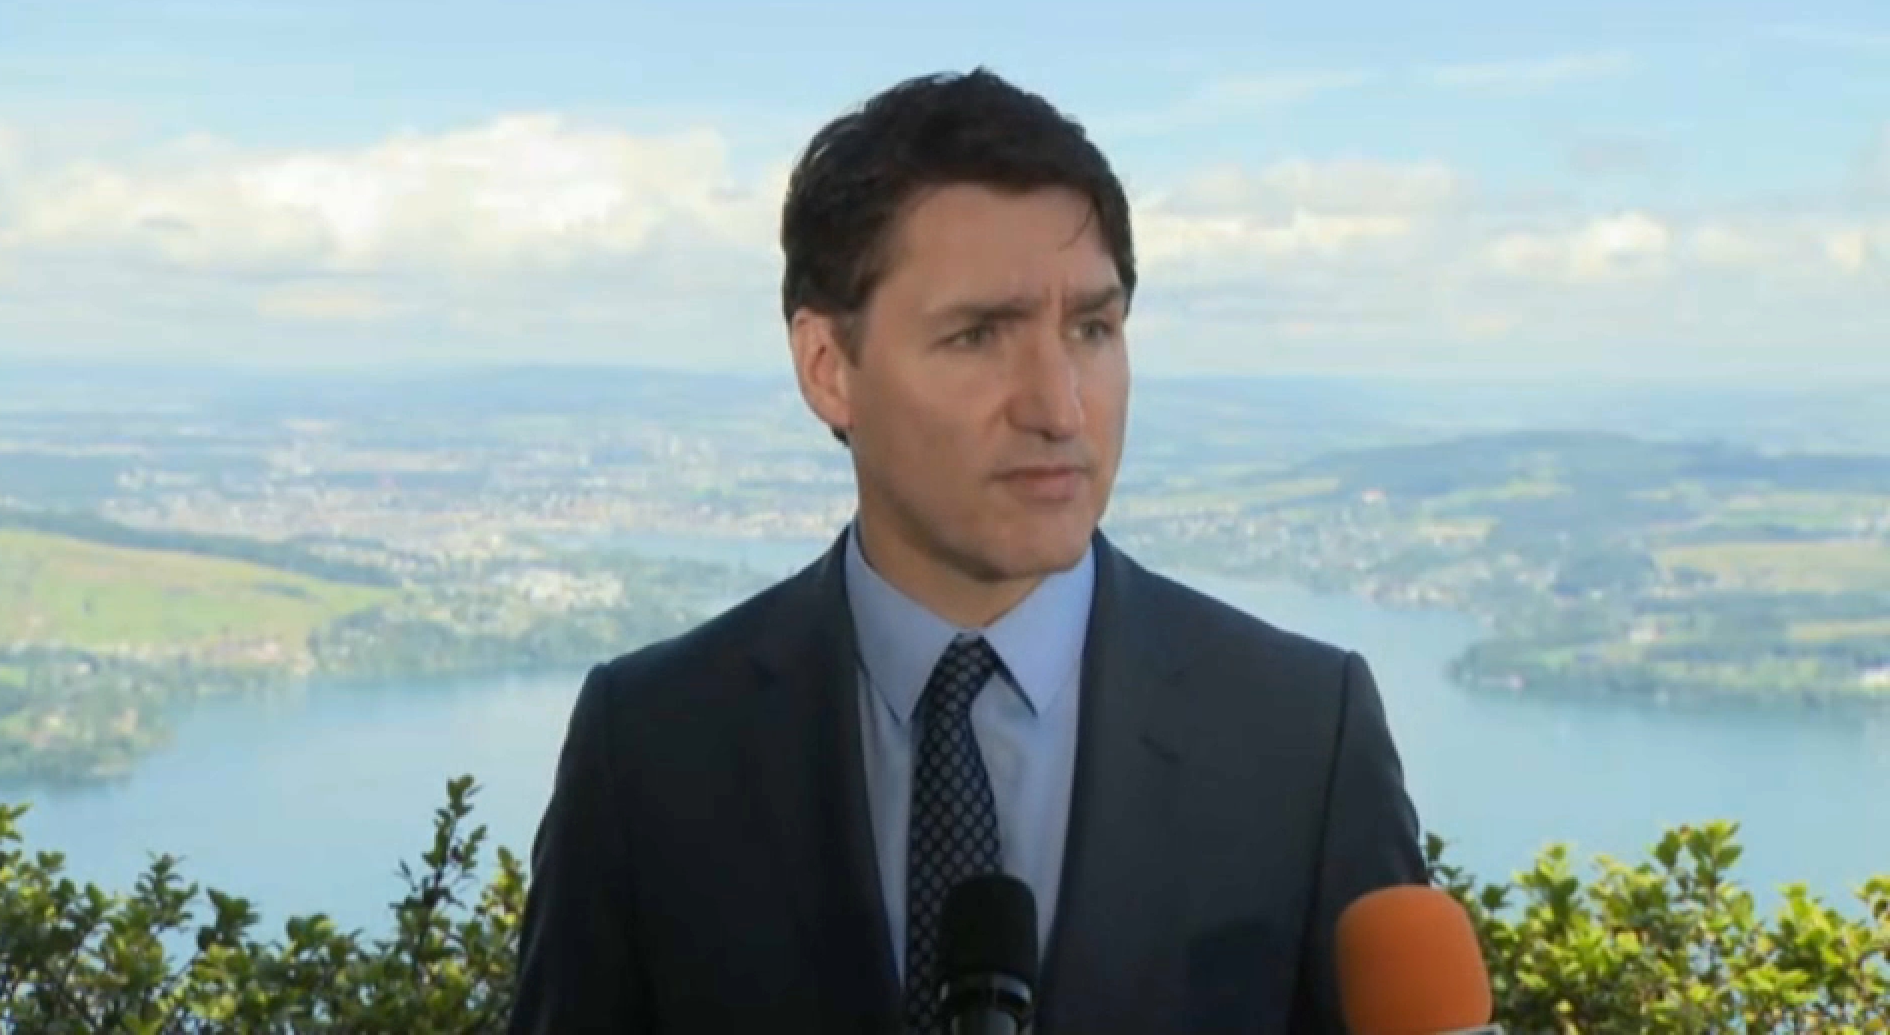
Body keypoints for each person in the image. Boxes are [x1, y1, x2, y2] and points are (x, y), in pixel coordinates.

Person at [506, 67, 1427, 1035]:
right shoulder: (652, 745)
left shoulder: (1301, 737)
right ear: (828, 368)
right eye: (980, 334)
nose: (1059, 406)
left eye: (1092, 328)